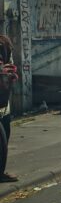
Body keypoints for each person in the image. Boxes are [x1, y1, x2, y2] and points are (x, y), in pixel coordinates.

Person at [0, 35, 19, 183]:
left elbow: (11, 65)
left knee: (5, 134)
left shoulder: (5, 43)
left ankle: (1, 172)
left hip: (2, 100)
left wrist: (11, 73)